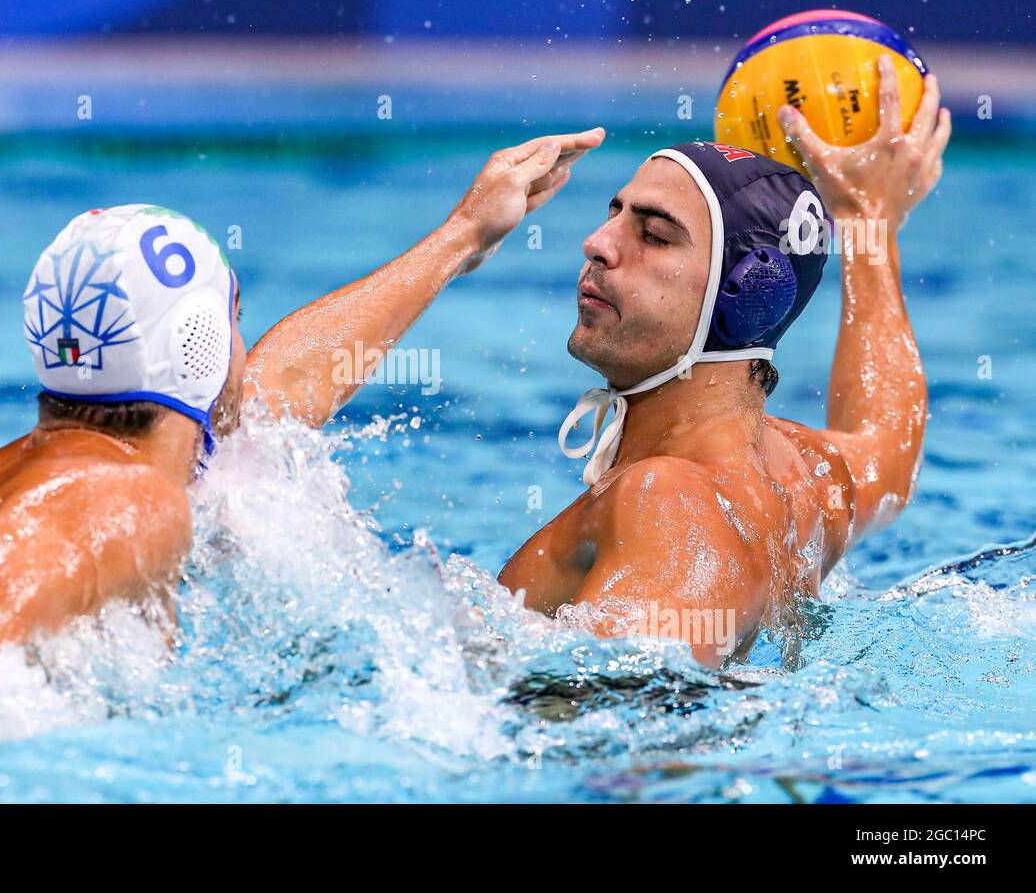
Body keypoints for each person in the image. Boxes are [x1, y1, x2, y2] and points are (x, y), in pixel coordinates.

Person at [0, 131, 597, 734]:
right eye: (233, 321)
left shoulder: (54, 464)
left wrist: (462, 237)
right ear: (193, 351)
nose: (245, 353)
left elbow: (272, 393)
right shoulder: (129, 501)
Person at [251, 56, 950, 665]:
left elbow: (251, 425)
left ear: (746, 295)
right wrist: (868, 226)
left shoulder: (667, 504)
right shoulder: (804, 479)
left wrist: (461, 238)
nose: (597, 242)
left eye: (653, 234)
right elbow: (890, 445)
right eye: (614, 215)